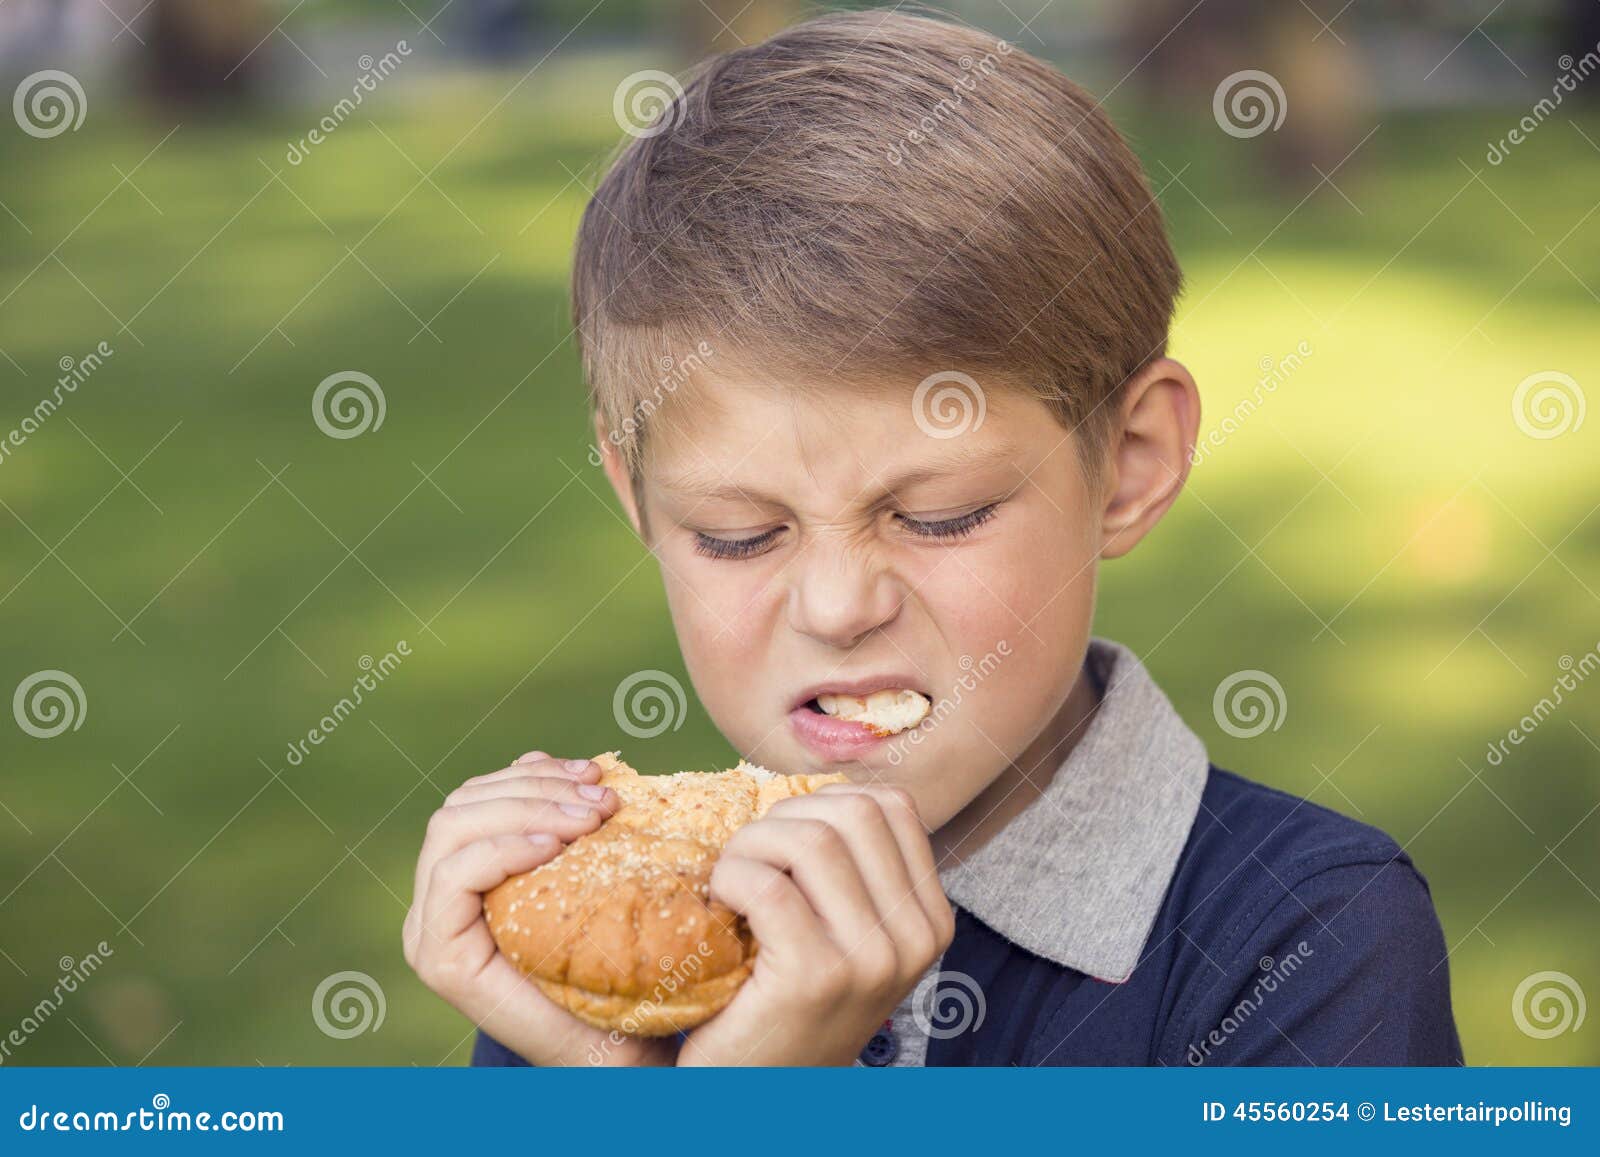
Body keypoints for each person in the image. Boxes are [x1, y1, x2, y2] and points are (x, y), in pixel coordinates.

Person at [403, 9, 1462, 1068]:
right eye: (739, 533)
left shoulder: (1310, 938)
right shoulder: (616, 956)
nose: (836, 606)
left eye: (937, 515)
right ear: (636, 495)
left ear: (1131, 463)